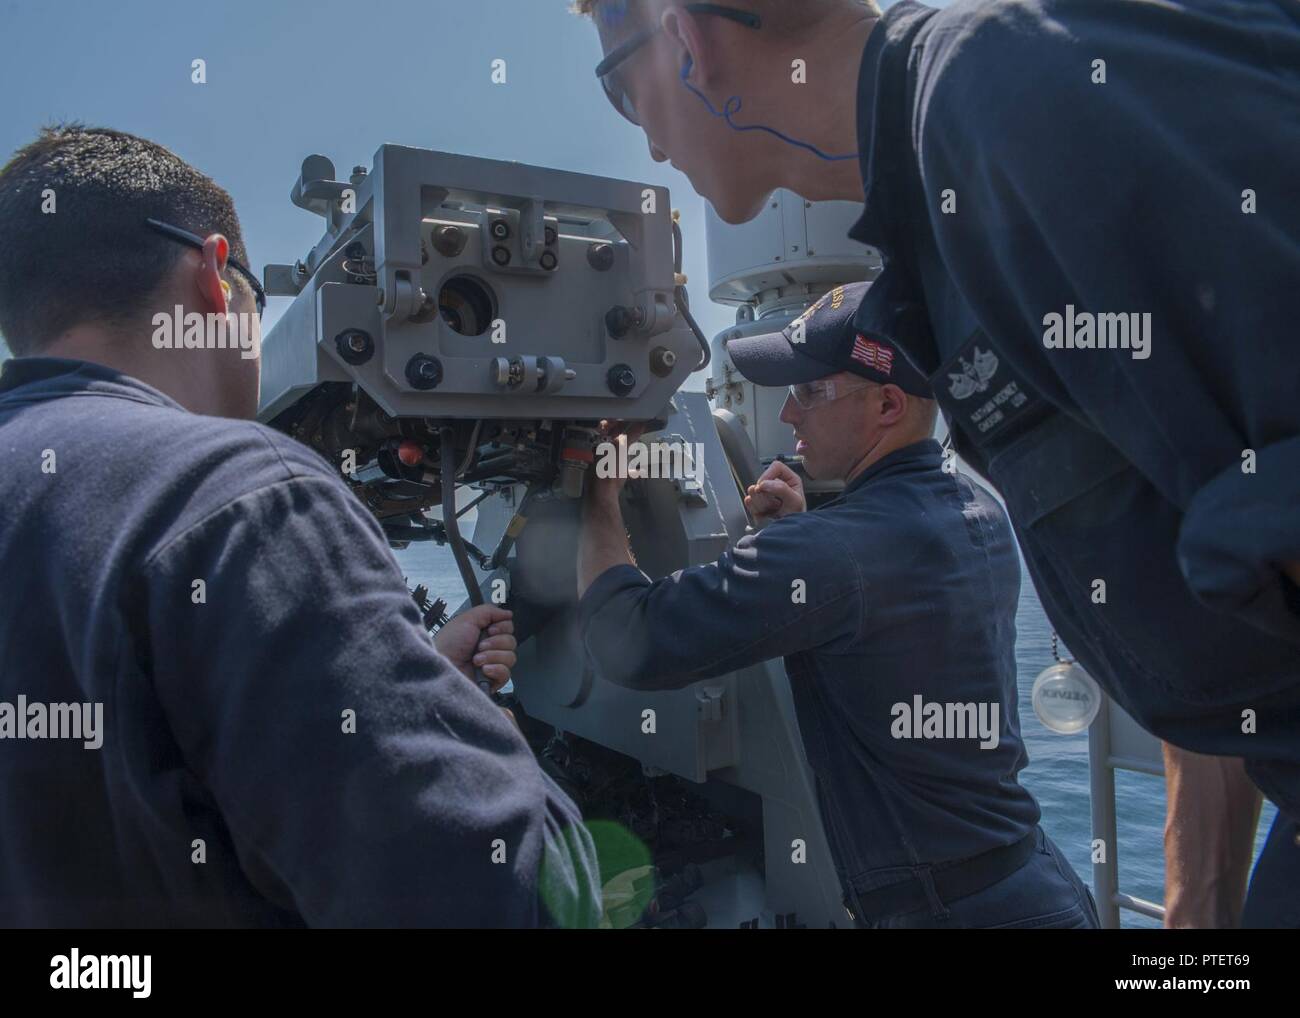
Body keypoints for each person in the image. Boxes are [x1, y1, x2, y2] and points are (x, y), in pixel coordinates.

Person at [572, 0, 1300, 926]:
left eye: (618, 87)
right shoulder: (951, 218)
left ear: (691, 41)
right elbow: (1220, 600)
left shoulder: (996, 93)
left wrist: (596, 497)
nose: (645, 142)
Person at [0, 125, 600, 928]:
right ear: (214, 278)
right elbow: (506, 893)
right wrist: (474, 734)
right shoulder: (236, 493)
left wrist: (395, 685)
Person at [578, 281, 1099, 928]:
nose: (789, 415)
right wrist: (796, 530)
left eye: (808, 392)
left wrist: (597, 495)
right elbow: (883, 589)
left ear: (886, 404)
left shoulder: (831, 550)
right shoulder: (977, 507)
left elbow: (628, 636)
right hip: (1038, 887)